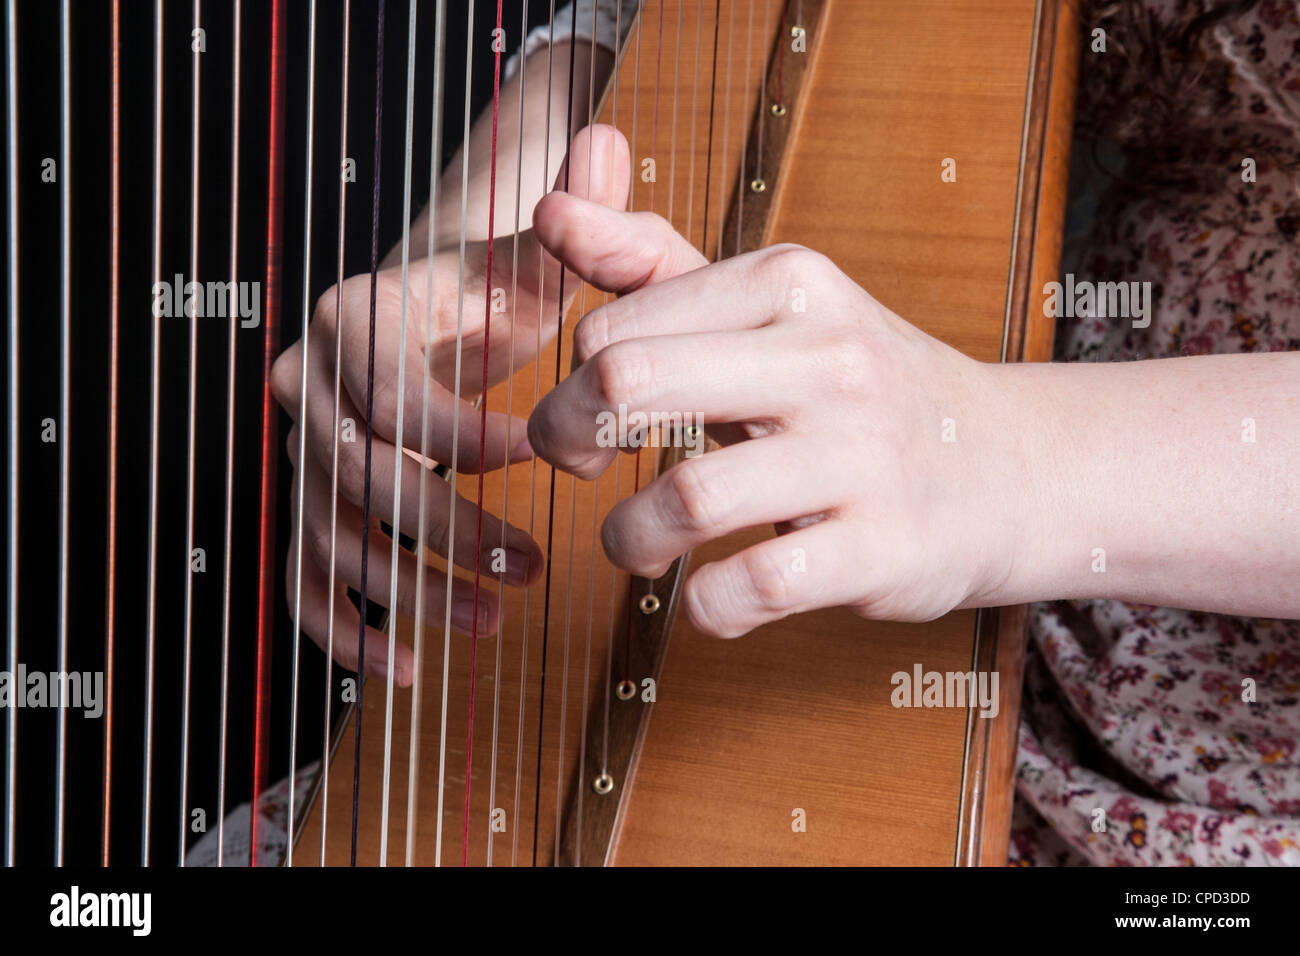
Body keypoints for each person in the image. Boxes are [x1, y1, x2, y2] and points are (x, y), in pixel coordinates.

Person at [271, 0, 1300, 865]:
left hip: (1198, 789)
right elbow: (664, 17)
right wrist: (489, 245)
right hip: (903, 460)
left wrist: (1001, 455)